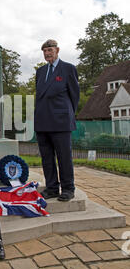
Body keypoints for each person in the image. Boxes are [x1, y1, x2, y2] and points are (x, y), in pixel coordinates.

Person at [34, 39, 80, 202]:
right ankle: (52, 188)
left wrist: (66, 114)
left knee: (64, 157)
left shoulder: (68, 69)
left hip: (60, 122)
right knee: (47, 158)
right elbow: (40, 97)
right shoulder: (40, 72)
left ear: (57, 50)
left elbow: (74, 97)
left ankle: (68, 188)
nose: (47, 53)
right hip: (42, 121)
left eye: (50, 50)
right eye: (45, 51)